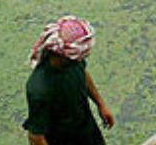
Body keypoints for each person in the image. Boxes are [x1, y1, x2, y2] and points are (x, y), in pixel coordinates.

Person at [23, 15, 115, 145]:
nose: (81, 59)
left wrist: (101, 104)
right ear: (63, 55)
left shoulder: (73, 60)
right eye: (79, 57)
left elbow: (83, 74)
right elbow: (36, 137)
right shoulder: (40, 88)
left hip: (86, 131)